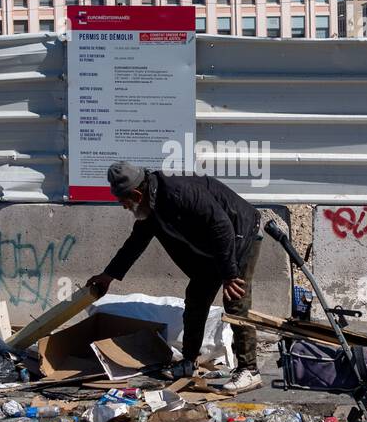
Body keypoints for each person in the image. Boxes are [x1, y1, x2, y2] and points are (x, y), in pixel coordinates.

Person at [87, 160, 263, 392]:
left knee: (235, 304)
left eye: (124, 201)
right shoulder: (150, 208)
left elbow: (222, 227)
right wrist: (109, 275)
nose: (124, 207)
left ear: (138, 194)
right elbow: (135, 244)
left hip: (240, 235)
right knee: (196, 300)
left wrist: (229, 274)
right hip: (211, 249)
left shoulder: (178, 193)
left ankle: (249, 370)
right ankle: (189, 361)